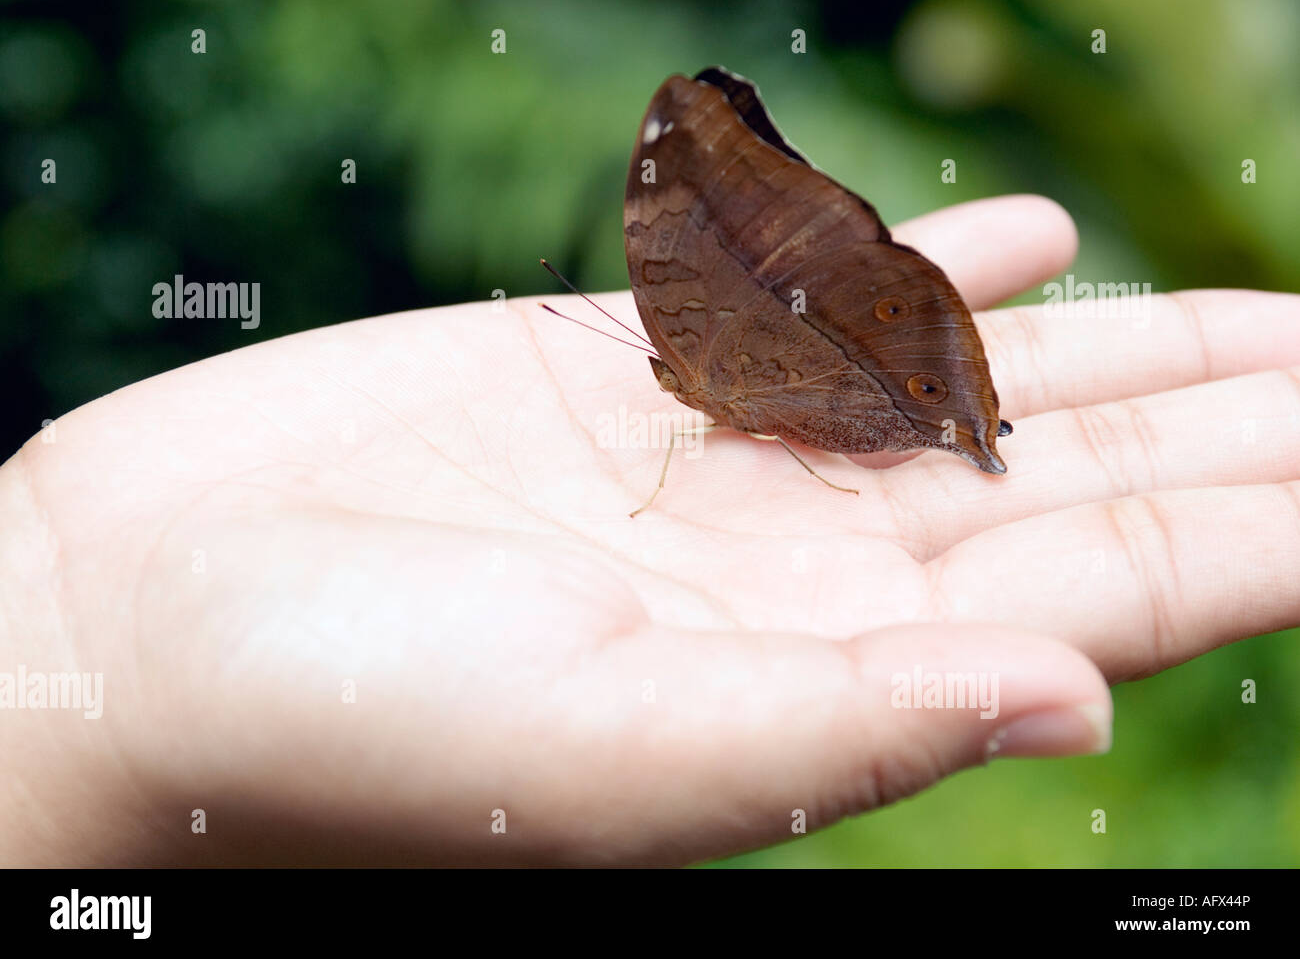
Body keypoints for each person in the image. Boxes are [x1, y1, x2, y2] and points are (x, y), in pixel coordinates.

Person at [1, 195, 1295, 865]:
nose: (668, 388)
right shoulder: (694, 379)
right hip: (887, 387)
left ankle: (953, 412)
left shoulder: (713, 360)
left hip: (891, 390)